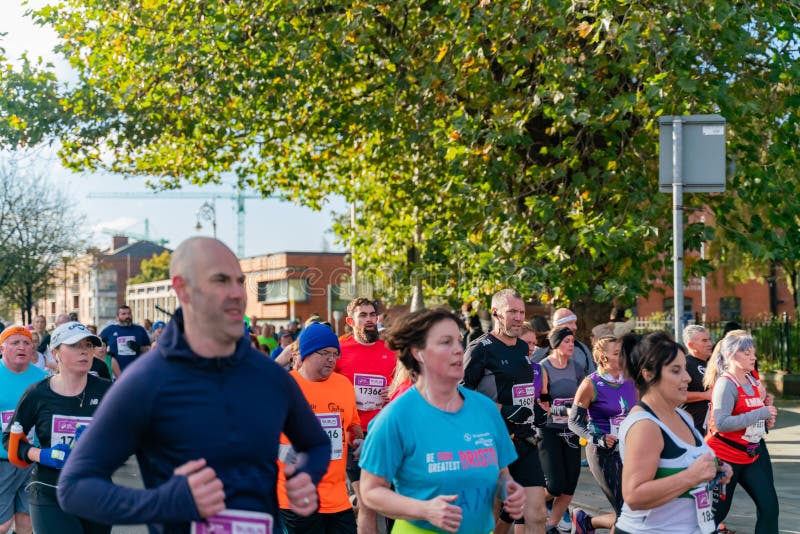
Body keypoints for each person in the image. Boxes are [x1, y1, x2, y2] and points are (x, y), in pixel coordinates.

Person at [57, 236, 331, 533]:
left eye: (240, 281)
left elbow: (316, 444)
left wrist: (306, 475)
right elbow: (75, 487)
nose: (237, 293)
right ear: (183, 290)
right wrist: (161, 503)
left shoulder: (270, 377)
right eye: (221, 281)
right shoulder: (147, 382)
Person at [360, 307, 525, 533]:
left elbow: (501, 474)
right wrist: (424, 509)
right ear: (418, 353)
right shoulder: (396, 417)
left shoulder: (485, 409)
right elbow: (371, 492)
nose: (459, 350)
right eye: (446, 342)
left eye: (458, 341)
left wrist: (510, 490)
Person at [615, 332, 732, 534]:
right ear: (648, 374)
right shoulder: (645, 425)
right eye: (676, 371)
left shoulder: (682, 416)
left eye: (685, 369)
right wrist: (691, 477)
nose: (687, 378)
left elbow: (685, 464)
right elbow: (634, 496)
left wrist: (716, 468)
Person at [2, 322, 112, 534]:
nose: (84, 351)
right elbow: (10, 438)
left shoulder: (108, 391)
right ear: (55, 353)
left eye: (88, 345)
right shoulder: (37, 393)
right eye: (74, 345)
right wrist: (41, 455)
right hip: (49, 490)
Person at [463, 289, 548, 534]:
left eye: (521, 312)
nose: (519, 317)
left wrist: (534, 408)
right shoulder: (480, 349)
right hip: (489, 443)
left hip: (524, 440)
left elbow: (520, 389)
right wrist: (503, 410)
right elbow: (461, 396)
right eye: (512, 311)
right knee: (489, 517)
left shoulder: (523, 347)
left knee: (537, 514)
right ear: (496, 313)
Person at [276, 322, 363, 533]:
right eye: (324, 353)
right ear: (305, 354)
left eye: (335, 354)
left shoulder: (343, 385)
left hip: (337, 496)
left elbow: (352, 423)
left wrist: (359, 441)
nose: (332, 359)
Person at [703, 330, 779, 533]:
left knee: (770, 508)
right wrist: (761, 412)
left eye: (753, 352)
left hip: (750, 456)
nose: (753, 357)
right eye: (746, 353)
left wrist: (766, 420)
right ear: (730, 355)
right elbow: (722, 423)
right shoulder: (726, 384)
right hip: (724, 459)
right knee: (715, 515)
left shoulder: (752, 380)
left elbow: (752, 417)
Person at [335, 297, 396, 534]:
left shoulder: (390, 349)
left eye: (372, 315)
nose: (369, 320)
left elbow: (403, 384)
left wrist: (392, 393)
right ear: (350, 321)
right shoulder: (339, 350)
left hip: (385, 433)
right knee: (367, 504)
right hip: (354, 434)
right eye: (363, 315)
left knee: (392, 501)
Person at [568, 336, 636, 533]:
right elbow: (574, 422)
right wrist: (597, 438)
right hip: (603, 453)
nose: (623, 356)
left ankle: (586, 523)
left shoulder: (631, 380)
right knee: (626, 513)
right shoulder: (591, 384)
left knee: (638, 510)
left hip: (630, 451)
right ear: (603, 358)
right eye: (617, 353)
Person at [538, 327, 586, 534]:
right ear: (556, 344)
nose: (571, 345)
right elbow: (542, 405)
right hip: (549, 430)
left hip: (572, 431)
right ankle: (521, 506)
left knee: (569, 488)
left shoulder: (576, 367)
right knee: (555, 486)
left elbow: (583, 398)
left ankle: (551, 526)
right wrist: (567, 410)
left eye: (572, 341)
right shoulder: (543, 368)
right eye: (567, 341)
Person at [0, 326, 47, 534]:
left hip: (31, 458)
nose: (22, 347)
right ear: (2, 348)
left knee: (27, 522)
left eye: (26, 343)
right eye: (15, 342)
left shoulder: (44, 379)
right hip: (2, 461)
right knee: (3, 525)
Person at [537, 309, 595, 376]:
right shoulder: (543, 348)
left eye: (575, 323)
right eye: (570, 323)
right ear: (557, 326)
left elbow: (592, 376)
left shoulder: (582, 348)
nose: (575, 327)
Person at [681, 325, 714, 436]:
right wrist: (705, 395)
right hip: (692, 429)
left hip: (711, 430)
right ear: (691, 345)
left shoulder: (712, 364)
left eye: (709, 339)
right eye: (704, 341)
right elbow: (674, 394)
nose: (710, 344)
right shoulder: (684, 364)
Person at [99, 305, 151, 373]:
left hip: (136, 371)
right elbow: (97, 346)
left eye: (129, 313)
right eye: (123, 314)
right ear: (117, 317)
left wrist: (139, 348)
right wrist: (106, 353)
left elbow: (149, 349)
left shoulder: (140, 330)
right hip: (114, 371)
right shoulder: (110, 329)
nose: (127, 316)